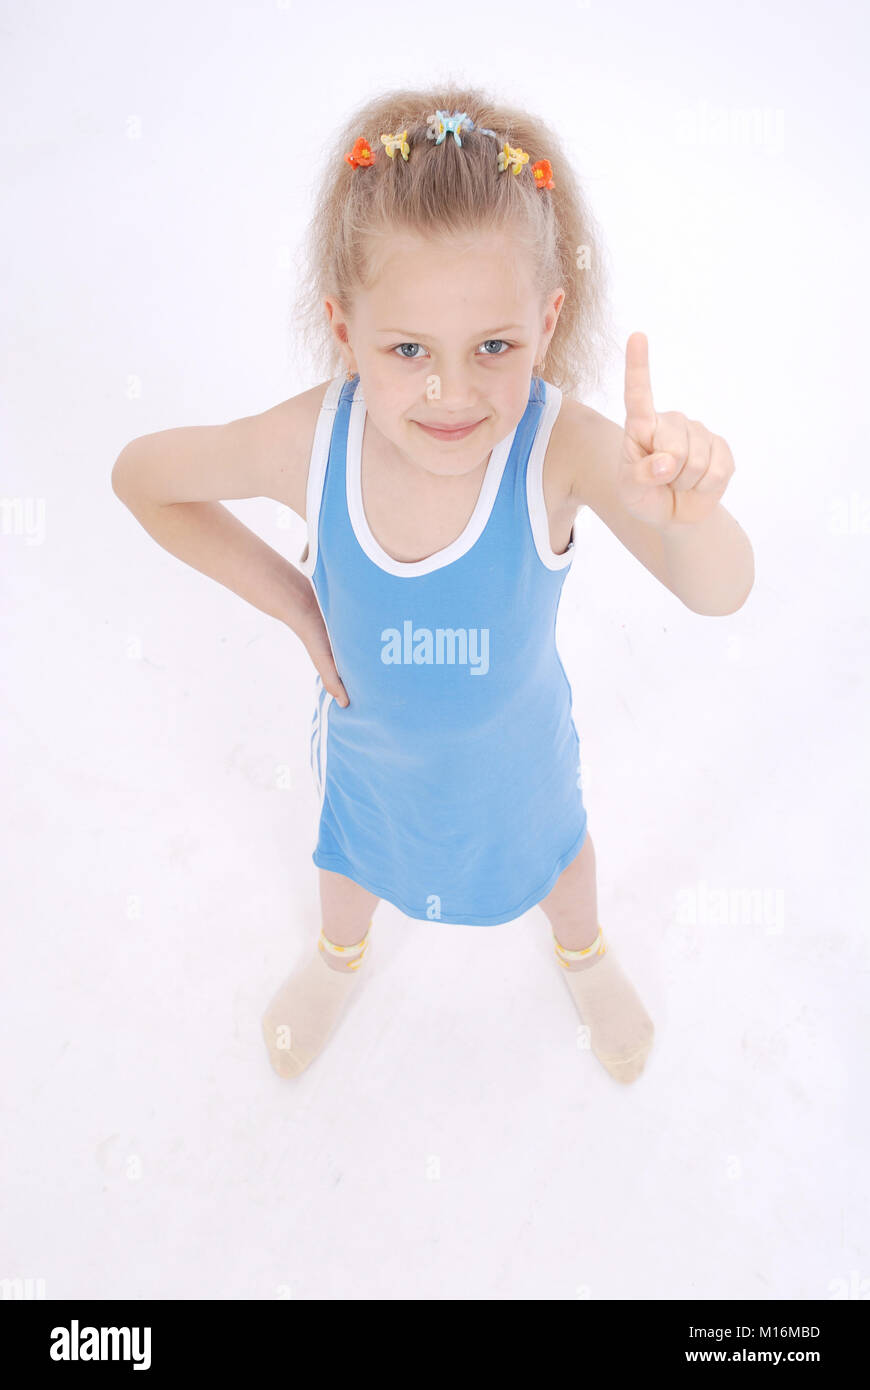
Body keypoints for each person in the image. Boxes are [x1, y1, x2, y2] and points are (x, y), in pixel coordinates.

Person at [112, 86, 754, 1087]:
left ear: (548, 322)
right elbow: (142, 479)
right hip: (372, 762)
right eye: (408, 350)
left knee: (564, 866)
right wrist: (297, 606)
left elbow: (720, 593)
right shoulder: (309, 442)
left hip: (521, 763)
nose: (451, 393)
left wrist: (692, 514)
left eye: (493, 347)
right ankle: (340, 954)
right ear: (344, 328)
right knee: (347, 864)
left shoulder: (564, 449)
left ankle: (582, 950)